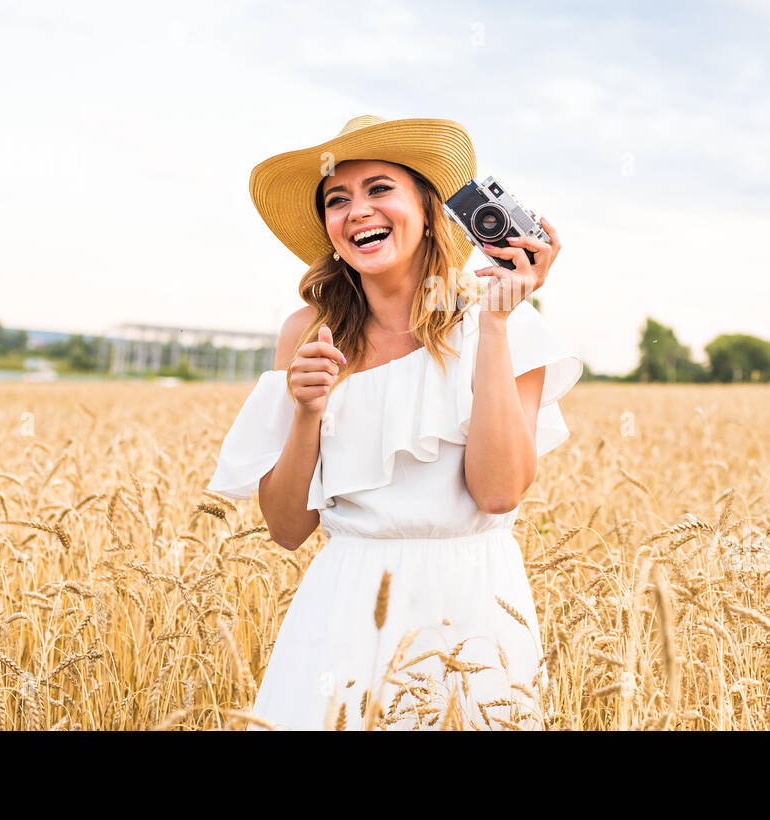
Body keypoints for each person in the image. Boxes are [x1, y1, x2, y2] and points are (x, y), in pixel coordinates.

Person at [206, 114, 583, 730]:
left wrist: (493, 327)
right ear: (329, 230)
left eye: (380, 189)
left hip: (475, 610)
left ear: (430, 211)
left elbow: (498, 490)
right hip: (346, 606)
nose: (357, 210)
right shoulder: (308, 332)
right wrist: (306, 413)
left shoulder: (505, 323)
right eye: (337, 198)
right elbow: (285, 527)